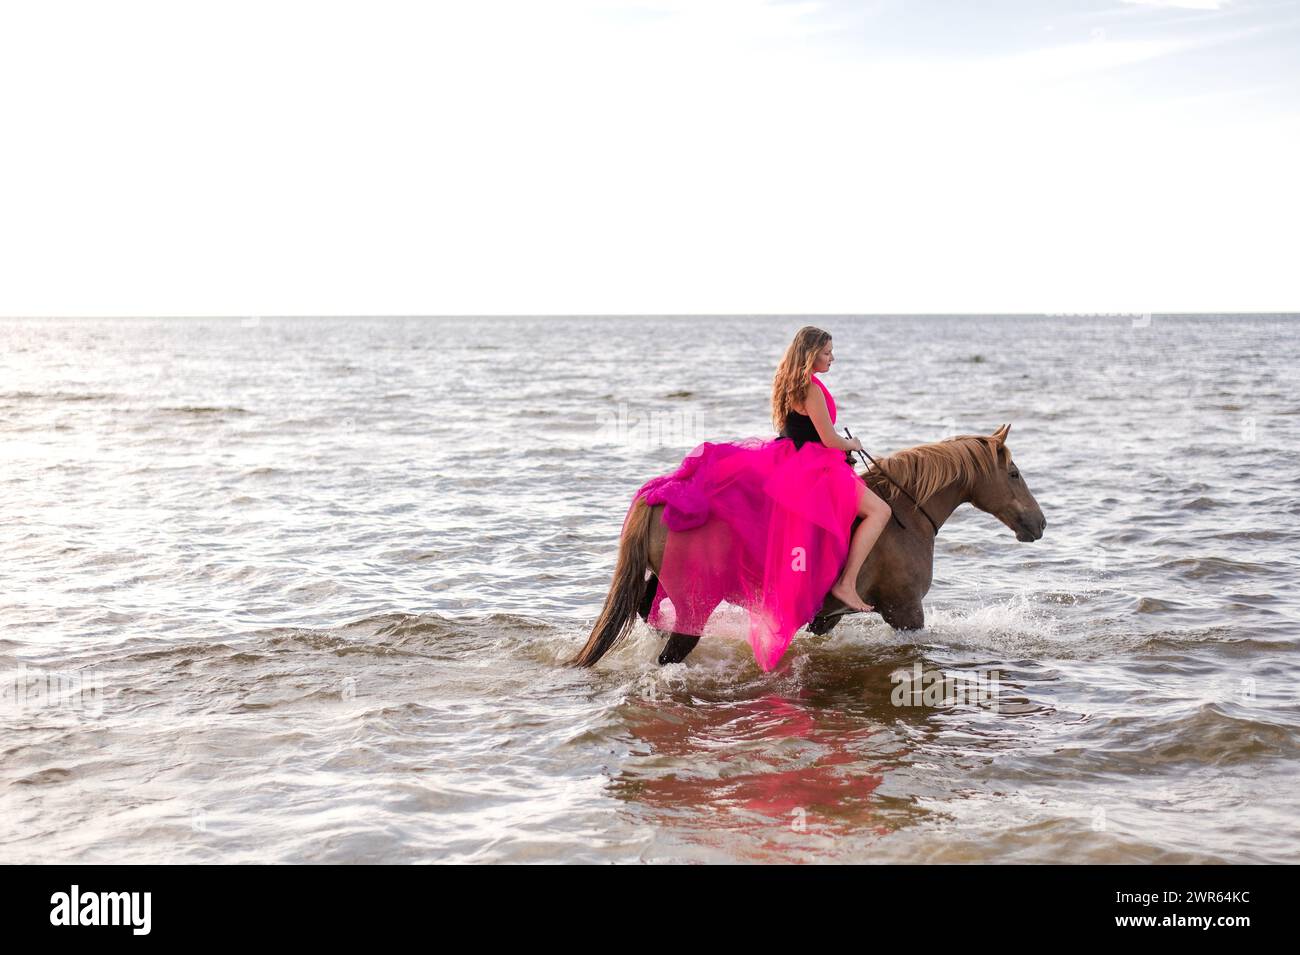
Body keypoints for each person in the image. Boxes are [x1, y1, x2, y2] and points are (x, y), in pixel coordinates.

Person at [629, 326, 893, 671]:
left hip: (786, 458)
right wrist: (853, 444)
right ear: (811, 353)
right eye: (827, 352)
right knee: (880, 511)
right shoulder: (811, 389)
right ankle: (846, 583)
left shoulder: (785, 382)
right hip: (814, 466)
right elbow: (829, 440)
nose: (832, 358)